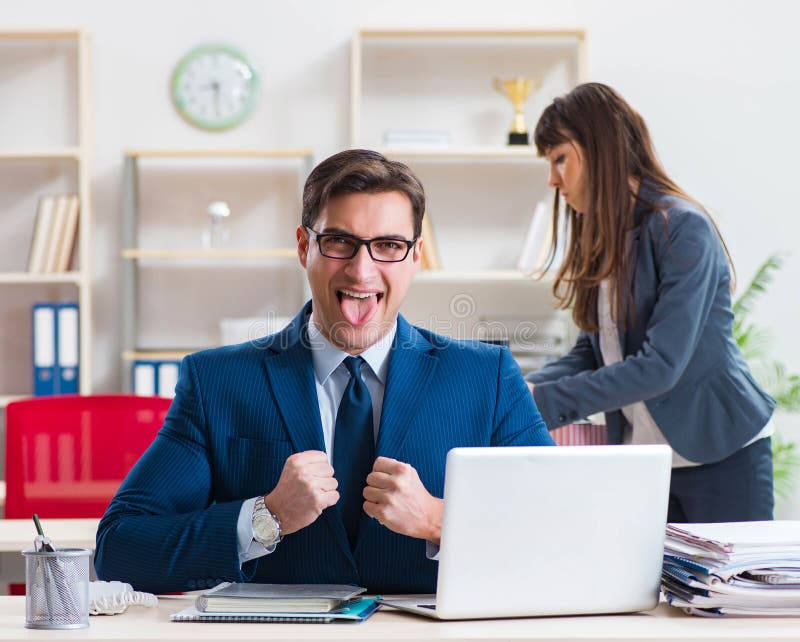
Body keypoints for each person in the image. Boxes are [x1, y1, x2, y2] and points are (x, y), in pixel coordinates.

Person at [95, 149, 553, 594]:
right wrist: (266, 517)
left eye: (389, 246)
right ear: (303, 247)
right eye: (340, 242)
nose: (361, 270)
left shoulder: (486, 377)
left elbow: (561, 529)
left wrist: (437, 519)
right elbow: (121, 547)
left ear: (416, 258)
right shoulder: (217, 381)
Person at [525, 82, 775, 523]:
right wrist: (520, 391)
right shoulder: (605, 238)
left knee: (724, 595)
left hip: (721, 453)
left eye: (559, 158)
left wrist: (542, 402)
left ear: (598, 147)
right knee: (649, 593)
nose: (552, 179)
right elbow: (593, 351)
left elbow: (660, 365)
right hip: (648, 461)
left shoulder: (683, 229)